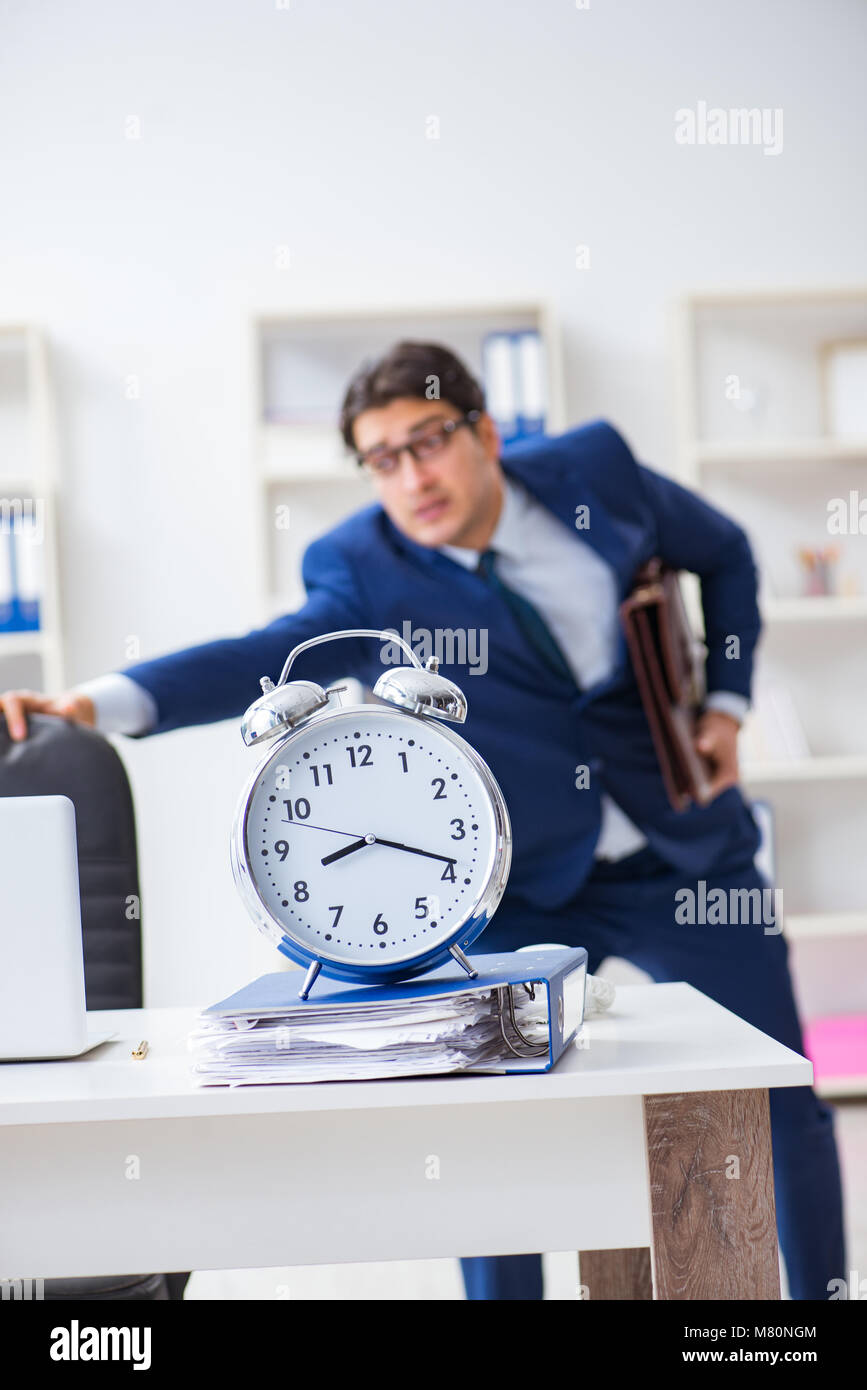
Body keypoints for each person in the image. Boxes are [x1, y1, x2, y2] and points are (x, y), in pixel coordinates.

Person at [1, 341, 845, 1301]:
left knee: (780, 1102)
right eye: (381, 458)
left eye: (427, 442)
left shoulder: (595, 473)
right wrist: (93, 704)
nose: (411, 475)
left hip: (687, 856)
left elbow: (725, 550)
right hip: (514, 888)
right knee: (490, 1134)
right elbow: (263, 655)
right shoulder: (361, 565)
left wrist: (727, 703)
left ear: (483, 431)